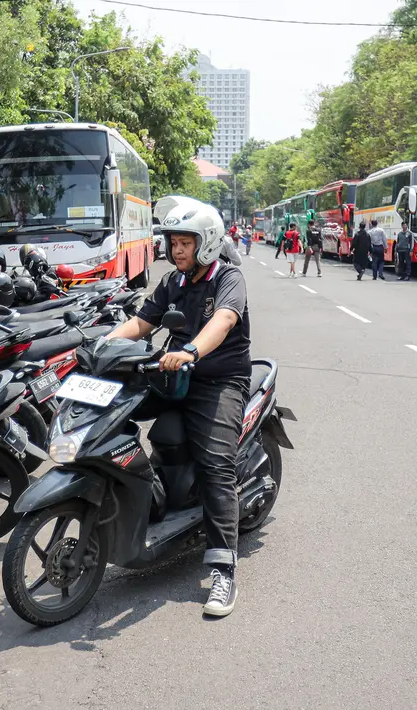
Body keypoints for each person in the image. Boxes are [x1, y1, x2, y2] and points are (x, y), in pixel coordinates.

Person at [104, 202, 252, 618]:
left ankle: (223, 568)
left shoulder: (229, 278)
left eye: (186, 242)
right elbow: (142, 322)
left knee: (216, 465)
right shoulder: (174, 281)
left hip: (217, 381)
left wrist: (190, 350)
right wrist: (104, 346)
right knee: (114, 412)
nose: (178, 249)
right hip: (172, 375)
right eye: (174, 242)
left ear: (205, 244)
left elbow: (222, 321)